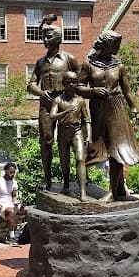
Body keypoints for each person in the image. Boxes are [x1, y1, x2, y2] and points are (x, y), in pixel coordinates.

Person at [78, 30, 139, 200]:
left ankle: (113, 192)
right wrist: (92, 90)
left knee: (117, 149)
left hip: (117, 108)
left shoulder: (119, 66)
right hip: (99, 108)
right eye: (116, 44)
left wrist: (136, 111)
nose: (118, 48)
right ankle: (117, 189)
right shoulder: (89, 64)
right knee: (99, 148)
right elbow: (78, 87)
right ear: (107, 45)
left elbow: (127, 91)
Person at [27, 15, 81, 191]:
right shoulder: (40, 62)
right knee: (46, 141)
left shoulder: (69, 59)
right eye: (44, 37)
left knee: (66, 142)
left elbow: (81, 81)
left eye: (48, 37)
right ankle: (48, 180)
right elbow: (30, 84)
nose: (45, 40)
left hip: (66, 103)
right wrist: (41, 93)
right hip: (46, 104)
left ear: (58, 39)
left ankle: (67, 183)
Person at [50, 71, 92, 200]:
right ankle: (66, 185)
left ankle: (83, 191)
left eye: (73, 82)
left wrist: (89, 136)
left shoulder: (80, 100)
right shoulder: (58, 100)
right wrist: (66, 112)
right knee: (65, 162)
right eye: (68, 82)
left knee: (80, 159)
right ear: (64, 83)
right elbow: (52, 116)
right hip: (63, 132)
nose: (71, 84)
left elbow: (87, 119)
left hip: (76, 131)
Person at [0, 162, 28, 245]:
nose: (12, 174)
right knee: (10, 211)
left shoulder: (14, 182)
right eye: (10, 172)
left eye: (13, 173)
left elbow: (14, 196)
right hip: (1, 204)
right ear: (5, 170)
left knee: (27, 210)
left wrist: (16, 203)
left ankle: (26, 232)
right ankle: (12, 237)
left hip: (11, 203)